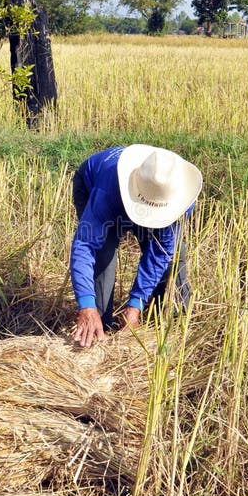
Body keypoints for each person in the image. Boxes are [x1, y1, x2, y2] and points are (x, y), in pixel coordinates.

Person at [71, 144, 203, 347]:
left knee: (174, 260)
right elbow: (85, 245)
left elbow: (161, 251)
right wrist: (86, 306)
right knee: (103, 258)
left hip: (151, 200)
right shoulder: (107, 190)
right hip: (98, 187)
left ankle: (171, 327)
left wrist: (136, 304)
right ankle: (98, 331)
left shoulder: (179, 194)